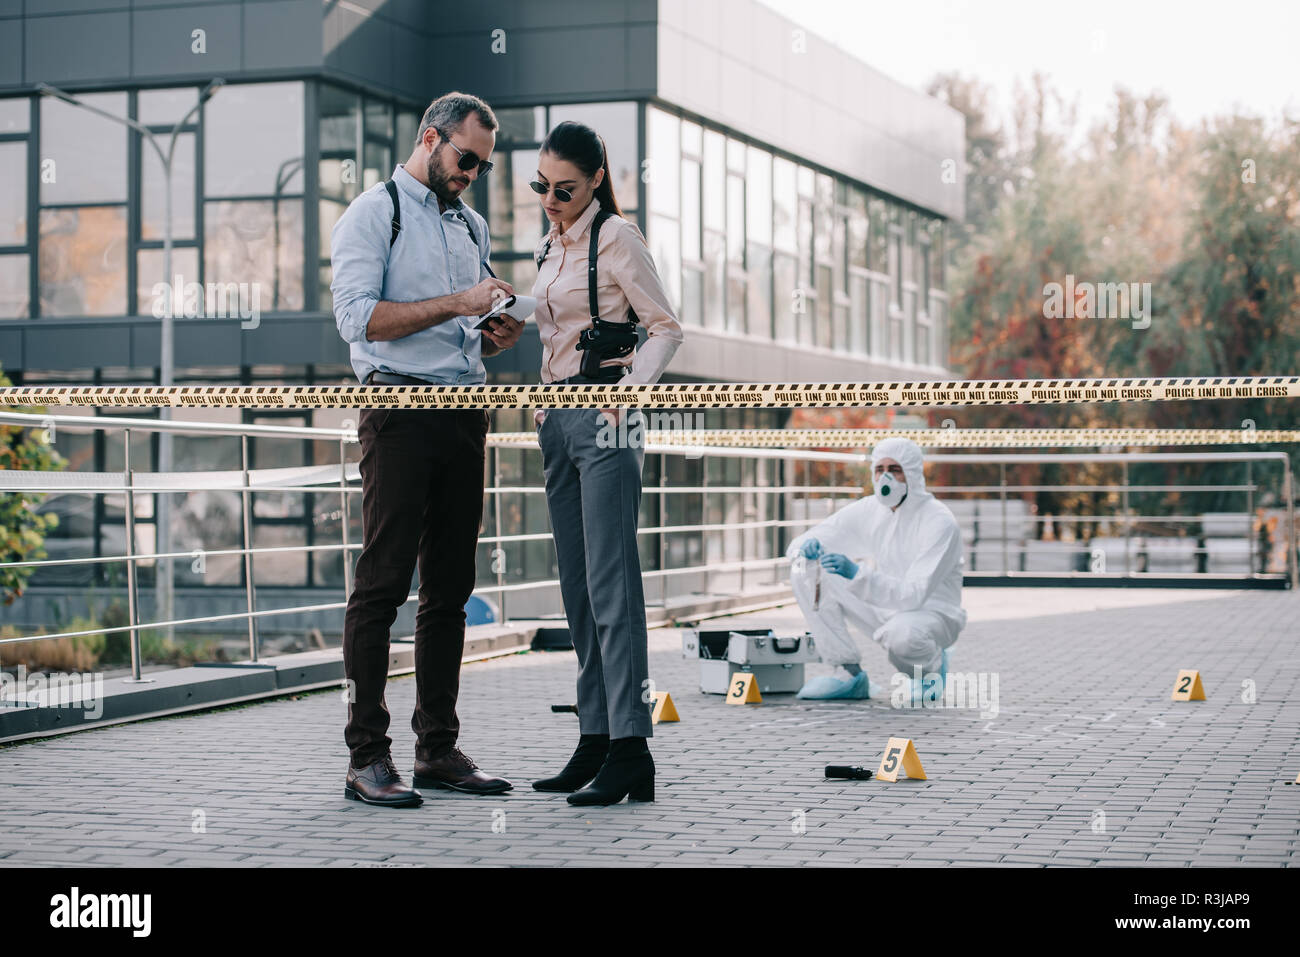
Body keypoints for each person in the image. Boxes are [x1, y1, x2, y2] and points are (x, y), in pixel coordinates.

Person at [330, 91, 524, 807]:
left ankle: (437, 748)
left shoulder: (468, 224)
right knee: (382, 584)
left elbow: (467, 322)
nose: (472, 173)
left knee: (450, 588)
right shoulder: (372, 212)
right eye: (465, 158)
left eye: (483, 165)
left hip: (463, 412)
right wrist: (457, 304)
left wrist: (494, 330)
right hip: (399, 411)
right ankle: (366, 756)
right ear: (429, 138)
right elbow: (358, 319)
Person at [526, 121, 684, 806]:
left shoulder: (617, 237)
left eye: (564, 188)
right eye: (541, 186)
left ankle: (631, 749)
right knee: (578, 588)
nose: (551, 198)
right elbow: (557, 328)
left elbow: (666, 326)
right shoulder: (550, 244)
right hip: (557, 420)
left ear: (594, 181)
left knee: (613, 585)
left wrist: (628, 393)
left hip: (606, 416)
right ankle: (595, 734)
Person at [786, 437, 966, 703]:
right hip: (884, 606)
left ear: (913, 474)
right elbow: (821, 535)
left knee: (903, 637)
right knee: (806, 569)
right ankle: (848, 672)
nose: (885, 478)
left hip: (931, 613)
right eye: (879, 469)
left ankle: (929, 670)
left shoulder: (939, 522)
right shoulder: (872, 510)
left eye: (895, 469)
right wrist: (805, 546)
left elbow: (914, 594)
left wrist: (856, 574)